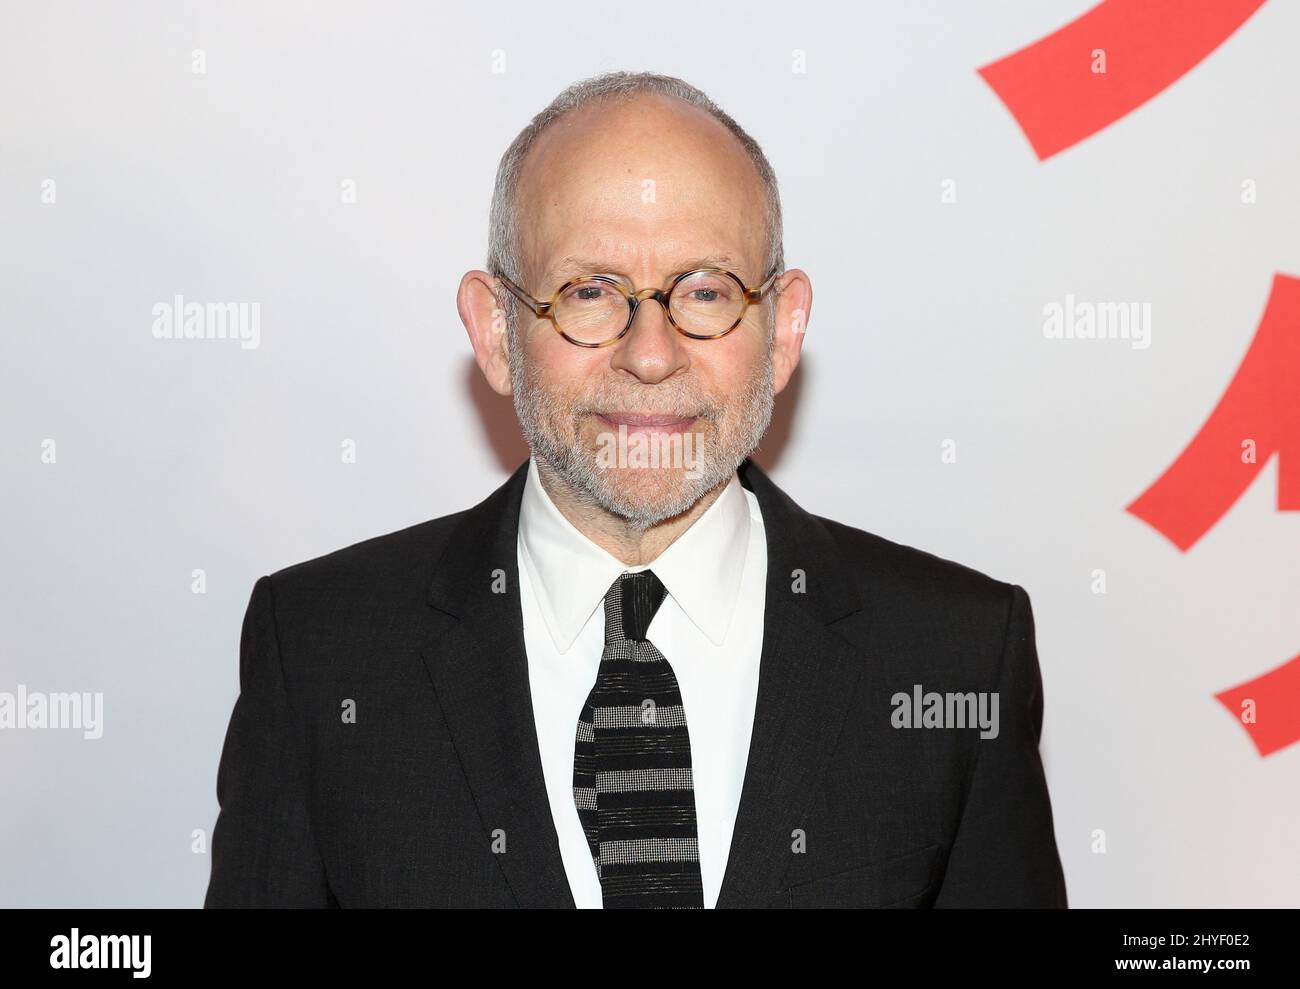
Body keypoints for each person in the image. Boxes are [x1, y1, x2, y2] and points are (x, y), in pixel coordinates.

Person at [204, 70, 1068, 908]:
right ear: (497, 330)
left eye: (704, 291)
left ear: (781, 329)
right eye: (590, 292)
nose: (650, 355)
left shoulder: (953, 655)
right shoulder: (321, 654)